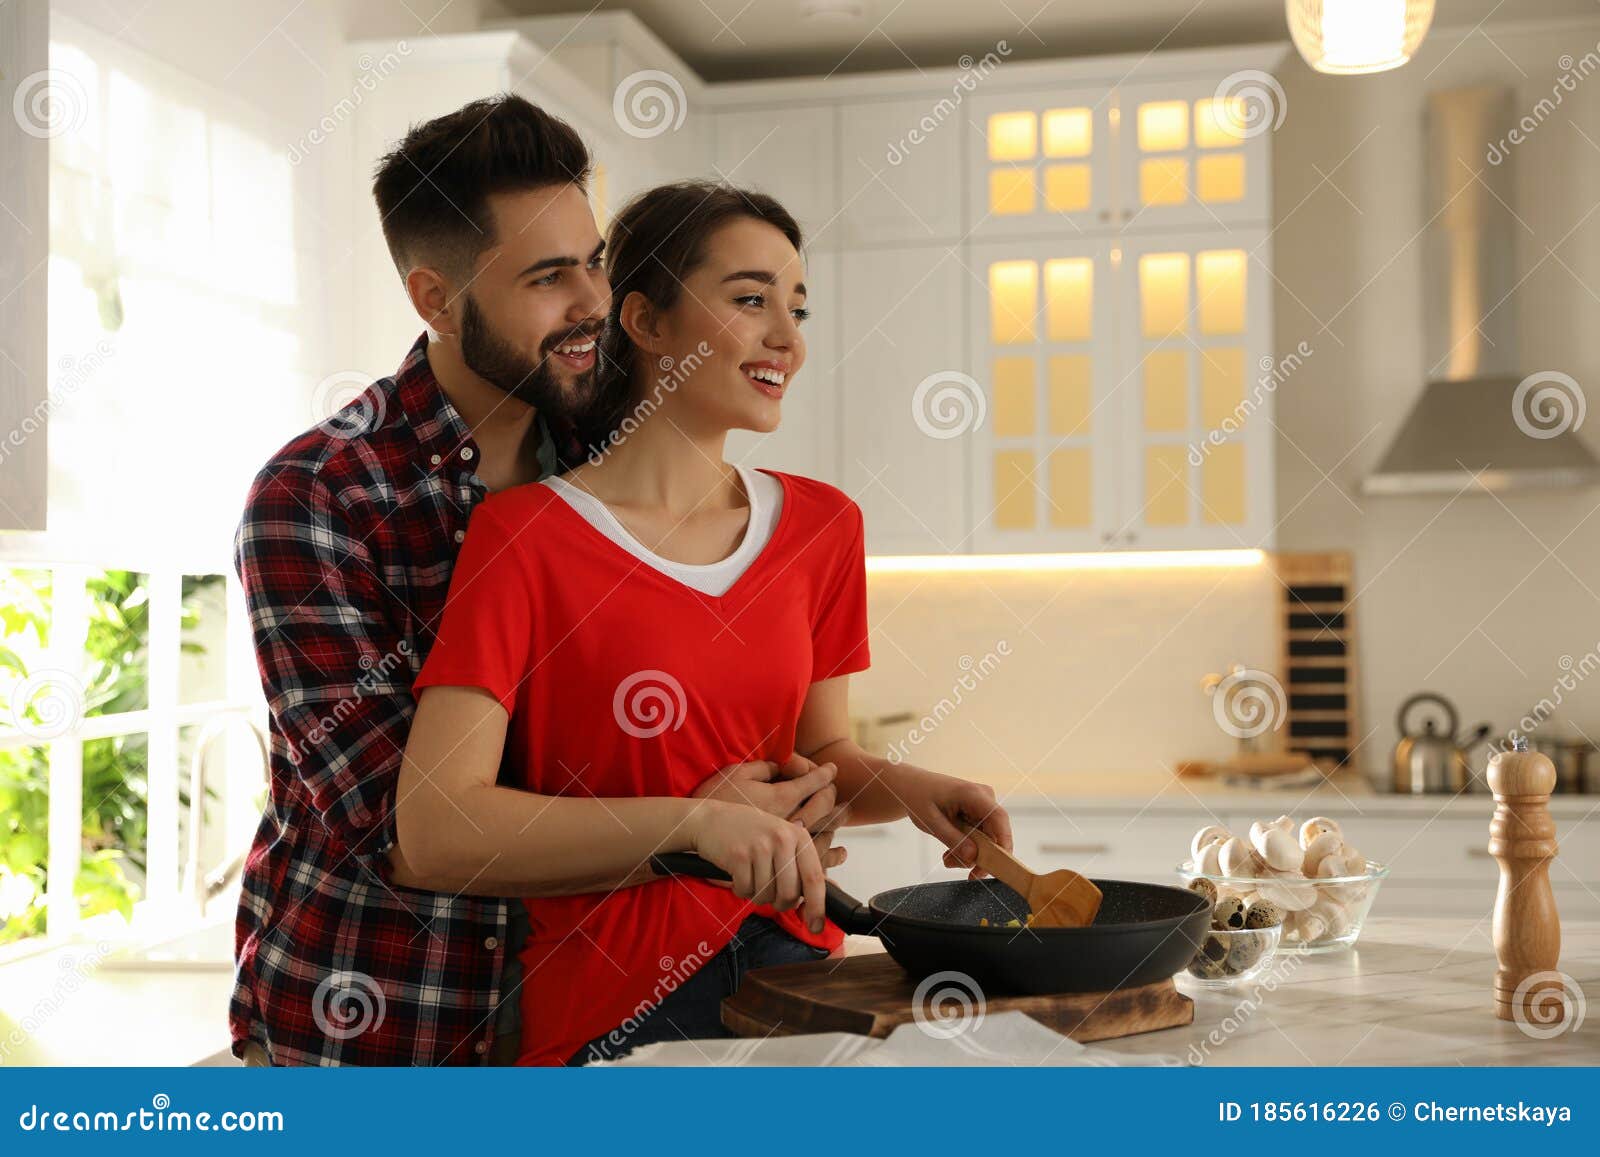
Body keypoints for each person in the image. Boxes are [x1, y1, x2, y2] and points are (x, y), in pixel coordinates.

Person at [230, 94, 840, 1066]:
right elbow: (408, 824)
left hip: (604, 1013)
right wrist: (688, 813)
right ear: (435, 299)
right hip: (388, 1022)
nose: (592, 301)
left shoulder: (617, 445)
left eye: (594, 260)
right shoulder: (317, 498)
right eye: (549, 277)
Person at [404, 181, 1015, 1066]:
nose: (788, 340)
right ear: (646, 324)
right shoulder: (524, 537)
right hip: (611, 1013)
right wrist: (691, 826)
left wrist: (915, 790)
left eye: (797, 308)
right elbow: (436, 830)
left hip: (796, 979)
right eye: (750, 300)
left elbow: (820, 761)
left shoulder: (823, 527)